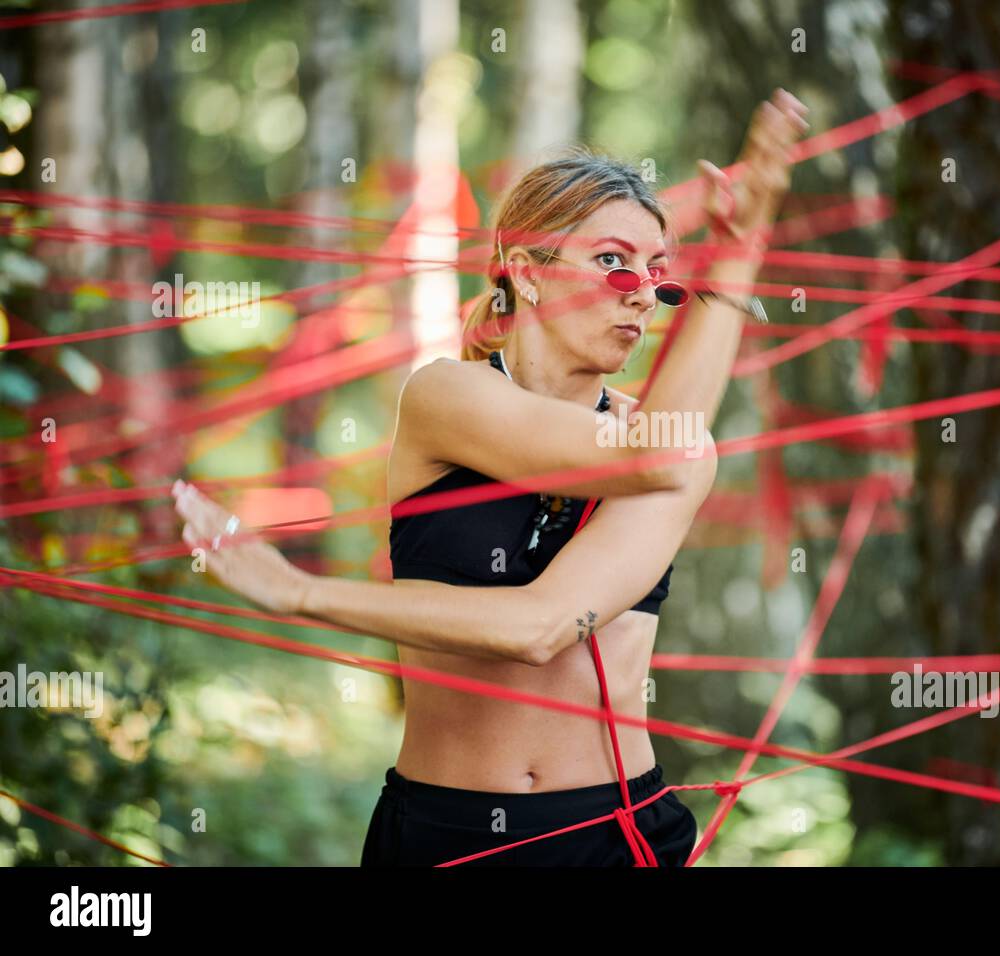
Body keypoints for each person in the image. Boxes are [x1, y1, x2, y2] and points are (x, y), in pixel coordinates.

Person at [172, 88, 810, 865]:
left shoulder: (679, 455)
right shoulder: (446, 397)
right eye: (611, 261)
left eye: (657, 272)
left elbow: (541, 627)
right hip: (443, 834)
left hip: (610, 836)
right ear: (527, 273)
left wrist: (743, 245)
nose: (642, 292)